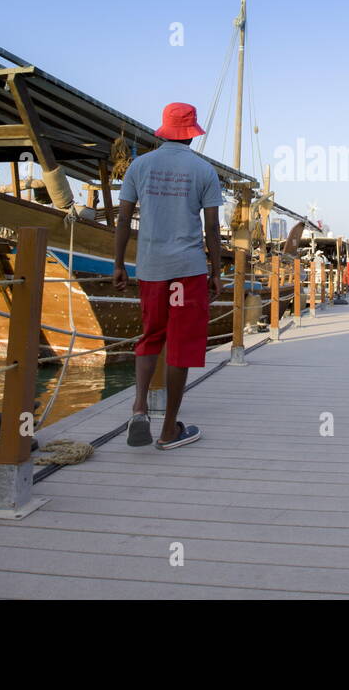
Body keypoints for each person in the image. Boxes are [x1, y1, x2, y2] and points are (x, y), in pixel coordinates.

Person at [114, 102, 222, 451]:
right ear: (192, 133)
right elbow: (212, 228)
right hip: (187, 272)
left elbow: (123, 218)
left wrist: (119, 264)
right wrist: (216, 271)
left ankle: (139, 406)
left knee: (150, 336)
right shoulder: (203, 170)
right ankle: (168, 431)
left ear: (163, 130)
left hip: (151, 268)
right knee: (181, 345)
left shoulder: (140, 166)